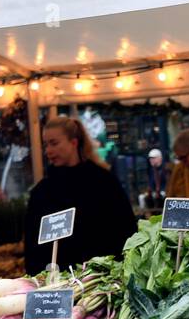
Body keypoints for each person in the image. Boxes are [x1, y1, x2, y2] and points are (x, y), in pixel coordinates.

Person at [23, 116, 138, 274]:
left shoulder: (103, 182)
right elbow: (32, 244)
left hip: (101, 279)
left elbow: (126, 230)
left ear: (74, 142)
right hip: (55, 285)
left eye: (54, 143)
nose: (48, 151)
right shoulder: (42, 191)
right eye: (46, 145)